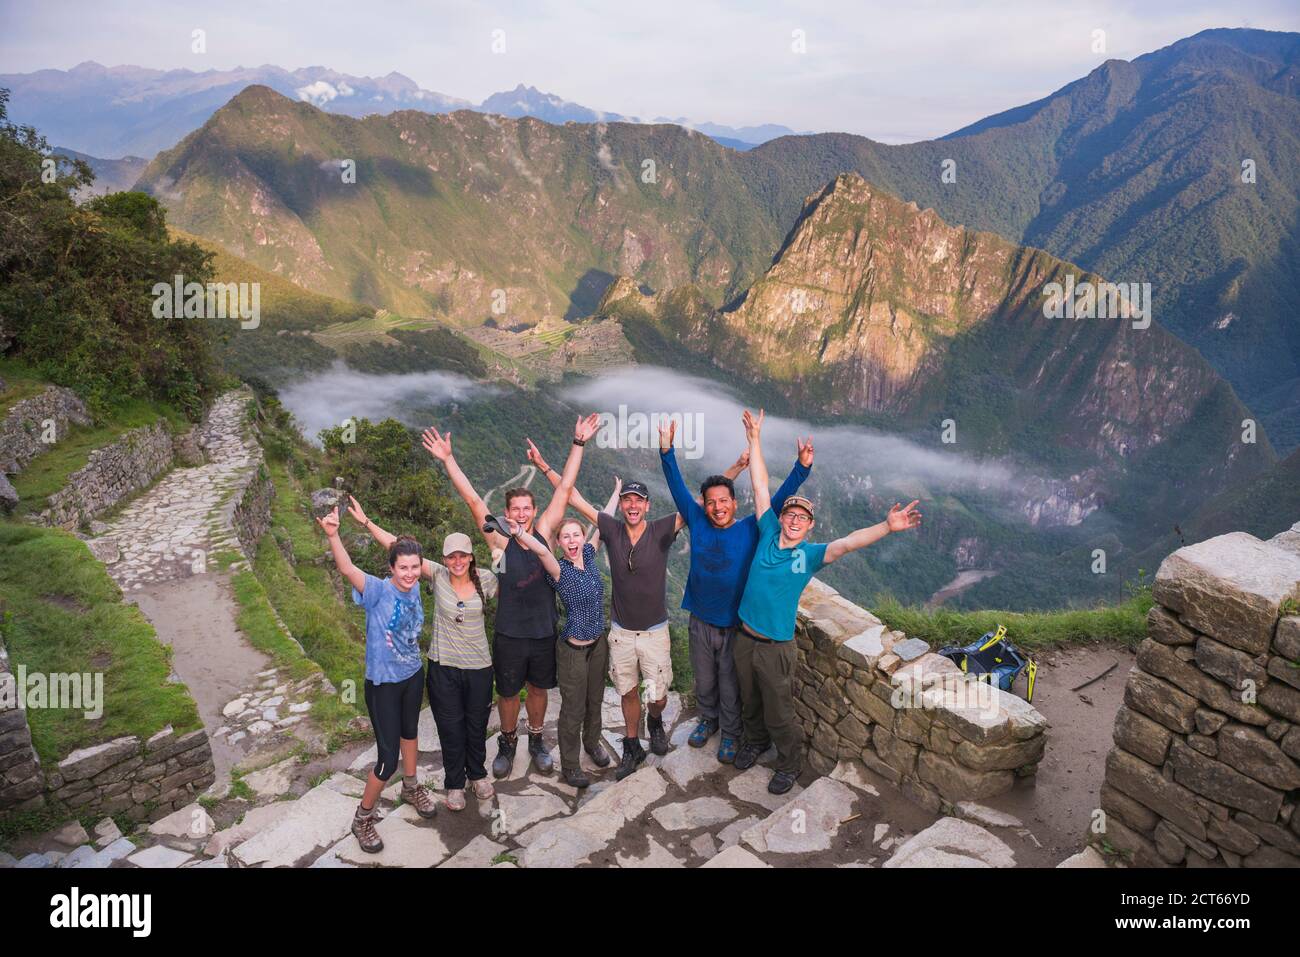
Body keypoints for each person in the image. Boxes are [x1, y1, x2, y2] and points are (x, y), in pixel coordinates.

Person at [734, 408, 922, 795]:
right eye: (791, 514)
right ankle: (755, 743)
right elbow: (760, 486)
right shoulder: (767, 529)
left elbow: (849, 542)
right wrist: (754, 438)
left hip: (775, 646)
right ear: (782, 517)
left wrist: (887, 526)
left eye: (802, 517)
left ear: (810, 526)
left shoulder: (810, 555)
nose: (794, 519)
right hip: (744, 636)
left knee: (779, 709)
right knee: (748, 699)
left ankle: (788, 763)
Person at [422, 413, 600, 779]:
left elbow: (565, 489)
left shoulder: (547, 534)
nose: (521, 514)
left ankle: (536, 739)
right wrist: (448, 459)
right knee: (507, 693)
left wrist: (578, 443)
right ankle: (507, 740)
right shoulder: (499, 539)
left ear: (535, 512)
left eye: (526, 509)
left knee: (538, 689)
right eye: (514, 510)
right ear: (506, 514)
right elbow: (472, 499)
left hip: (544, 630)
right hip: (509, 632)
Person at [658, 419, 813, 764]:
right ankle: (707, 720)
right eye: (711, 502)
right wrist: (666, 450)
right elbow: (676, 485)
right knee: (705, 679)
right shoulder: (696, 520)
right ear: (705, 505)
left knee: (730, 684)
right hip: (700, 619)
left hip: (734, 625)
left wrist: (801, 468)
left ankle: (730, 733)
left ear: (734, 502)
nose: (717, 507)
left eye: (723, 501)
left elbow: (775, 499)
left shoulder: (750, 529)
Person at [348, 496, 498, 812]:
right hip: (443, 666)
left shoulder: (487, 579)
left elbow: (514, 564)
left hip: (480, 666)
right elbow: (399, 549)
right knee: (450, 727)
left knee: (476, 723)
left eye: (463, 556)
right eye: (451, 556)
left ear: (471, 557)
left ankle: (478, 774)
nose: (457, 561)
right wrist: (366, 523)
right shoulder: (436, 575)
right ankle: (455, 784)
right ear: (444, 558)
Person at [316, 506, 439, 854]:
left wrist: (369, 522)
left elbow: (396, 543)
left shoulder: (412, 584)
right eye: (404, 568)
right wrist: (332, 535)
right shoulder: (378, 591)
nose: (411, 574)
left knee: (411, 733)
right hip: (383, 684)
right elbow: (346, 568)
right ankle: (363, 818)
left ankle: (411, 787)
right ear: (391, 568)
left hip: (413, 675)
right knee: (387, 758)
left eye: (415, 567)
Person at [510, 477, 621, 789]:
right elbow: (540, 552)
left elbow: (604, 523)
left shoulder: (588, 554)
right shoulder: (559, 569)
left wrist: (613, 493)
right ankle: (571, 764)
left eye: (576, 535)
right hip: (573, 649)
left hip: (598, 644)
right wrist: (520, 532)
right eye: (565, 537)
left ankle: (592, 742)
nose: (572, 540)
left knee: (595, 700)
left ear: (582, 537)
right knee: (573, 708)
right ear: (558, 543)